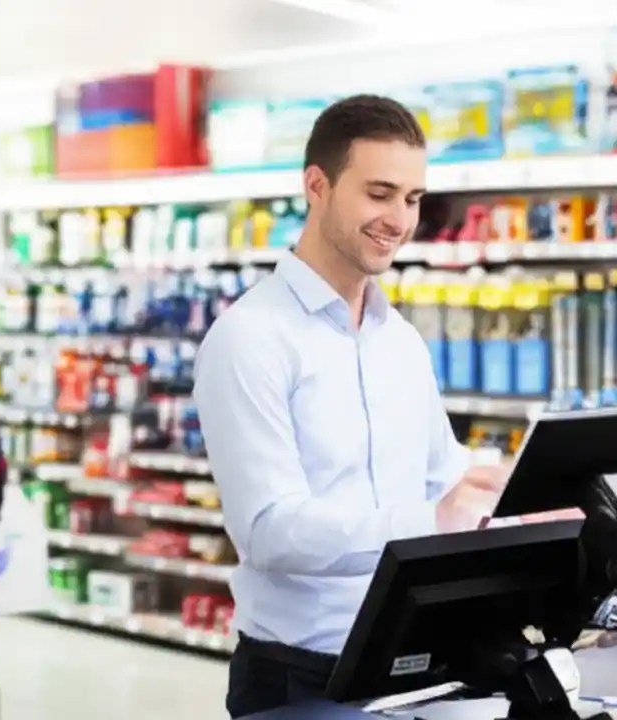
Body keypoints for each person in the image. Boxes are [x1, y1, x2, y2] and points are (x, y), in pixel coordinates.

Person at [192, 94, 507, 719]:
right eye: (379, 193)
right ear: (317, 185)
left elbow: (443, 479)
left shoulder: (401, 341)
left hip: (410, 656)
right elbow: (269, 530)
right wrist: (430, 521)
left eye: (412, 199)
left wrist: (510, 502)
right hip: (301, 676)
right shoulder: (249, 338)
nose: (399, 219)